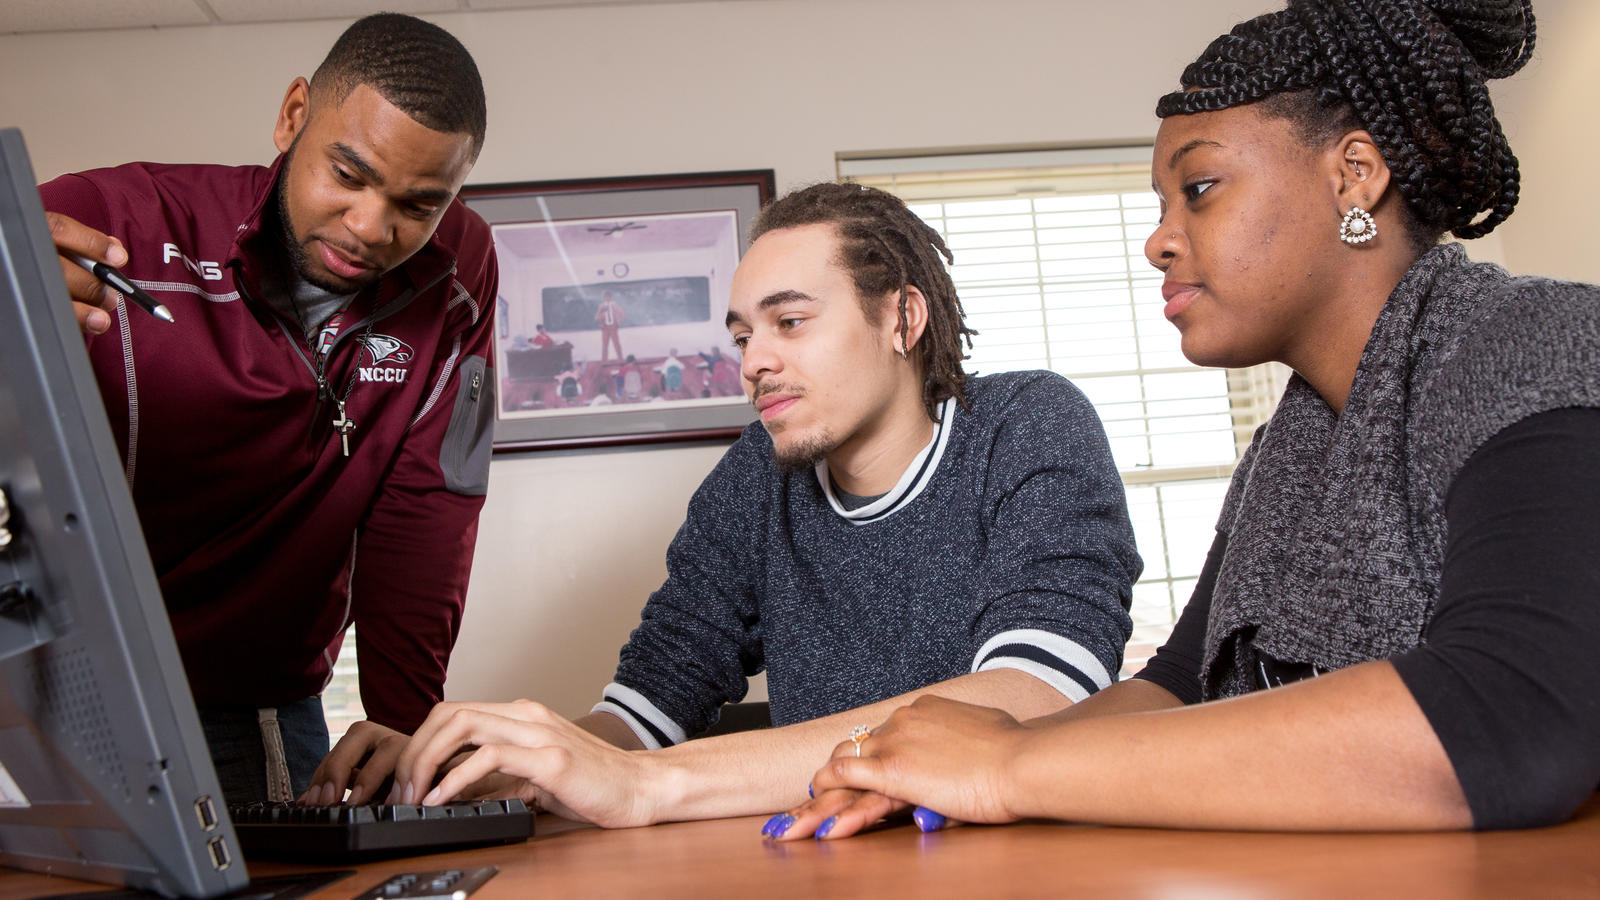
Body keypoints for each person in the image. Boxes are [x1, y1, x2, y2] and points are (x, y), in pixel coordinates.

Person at [777, 0, 1600, 840]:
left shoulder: (1531, 343)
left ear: (1354, 174)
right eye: (1162, 204)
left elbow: (1515, 717)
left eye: (1199, 190)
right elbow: (1178, 684)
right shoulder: (1289, 451)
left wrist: (1007, 766)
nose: (1158, 242)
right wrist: (942, 771)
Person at [313, 182, 1142, 825]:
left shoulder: (1029, 423)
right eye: (744, 336)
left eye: (791, 322)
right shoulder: (754, 477)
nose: (754, 363)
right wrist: (508, 767)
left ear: (903, 317)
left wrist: (647, 784)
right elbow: (647, 706)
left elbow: (1038, 688)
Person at [42, 13, 497, 805]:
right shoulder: (107, 219)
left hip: (259, 707)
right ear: (293, 117)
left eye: (418, 205)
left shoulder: (460, 269)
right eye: (347, 175)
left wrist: (405, 723)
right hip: (59, 685)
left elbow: (430, 505)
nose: (370, 227)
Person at [596, 290, 625, 362]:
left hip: (613, 327)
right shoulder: (601, 306)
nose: (607, 298)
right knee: (605, 345)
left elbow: (622, 313)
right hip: (605, 327)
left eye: (608, 296)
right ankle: (604, 360)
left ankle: (620, 359)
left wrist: (619, 321)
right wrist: (602, 316)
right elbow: (597, 318)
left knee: (616, 344)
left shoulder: (614, 305)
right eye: (606, 297)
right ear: (604, 298)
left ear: (611, 297)